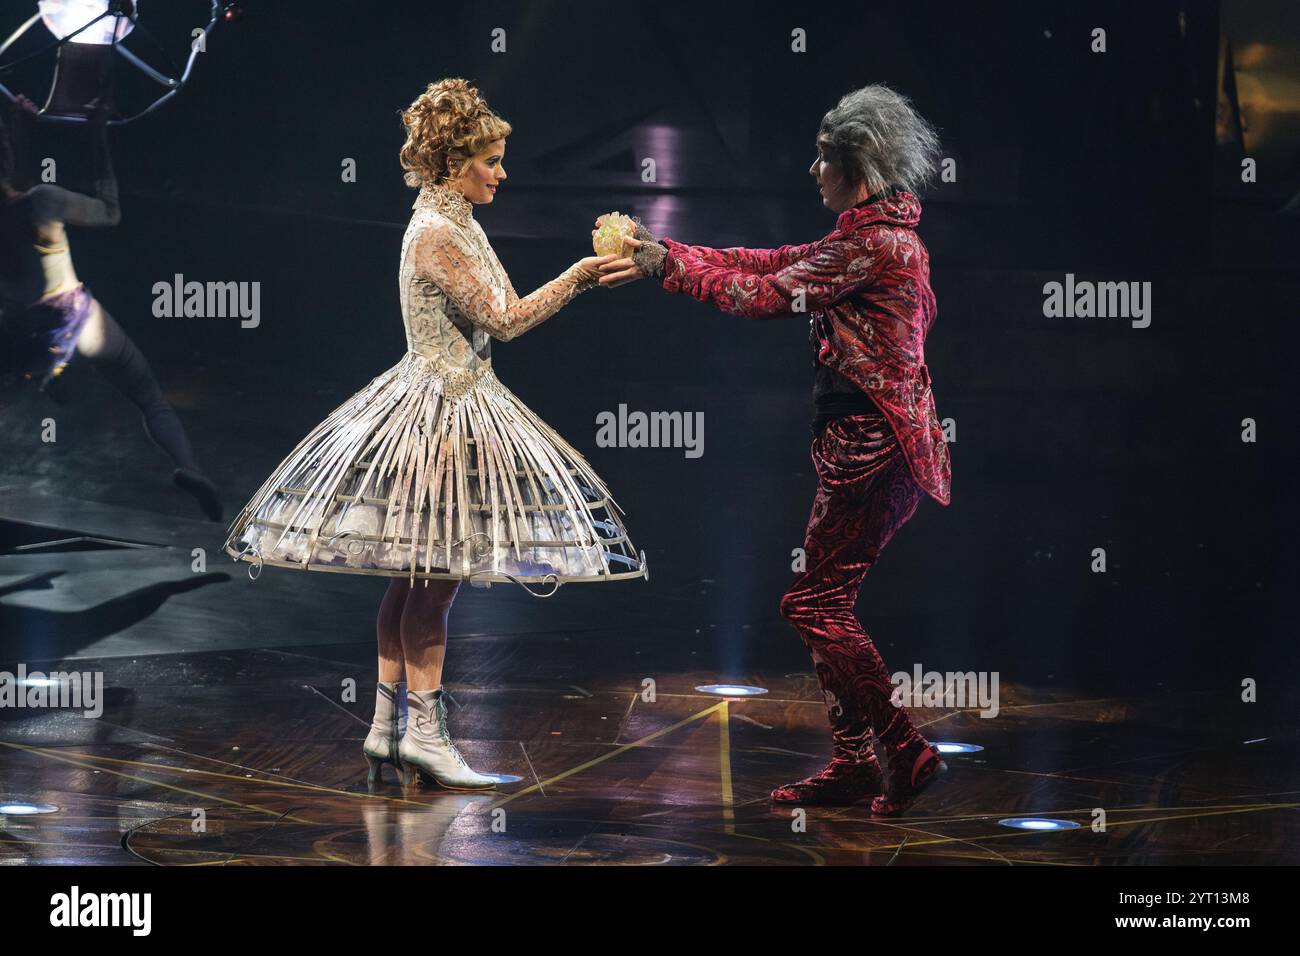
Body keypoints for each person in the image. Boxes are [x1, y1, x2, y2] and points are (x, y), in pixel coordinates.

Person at [223, 78, 646, 792]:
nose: (503, 173)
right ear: (454, 164)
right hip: (442, 416)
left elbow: (499, 310)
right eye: (491, 161)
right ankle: (423, 733)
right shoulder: (437, 234)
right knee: (434, 580)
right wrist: (580, 275)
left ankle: (387, 728)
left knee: (414, 578)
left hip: (456, 401)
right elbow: (507, 322)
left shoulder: (455, 223)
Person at [597, 84, 952, 816]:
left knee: (814, 602)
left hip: (874, 451)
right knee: (827, 602)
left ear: (859, 165)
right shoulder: (871, 238)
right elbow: (769, 259)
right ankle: (856, 763)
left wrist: (669, 270)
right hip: (871, 448)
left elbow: (764, 294)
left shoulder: (876, 246)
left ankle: (901, 744)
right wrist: (664, 252)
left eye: (823, 158)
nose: (812, 169)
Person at [0, 96, 223, 521]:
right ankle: (188, 467)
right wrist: (98, 138)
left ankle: (55, 375)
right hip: (77, 320)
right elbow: (110, 212)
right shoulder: (43, 201)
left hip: (22, 331)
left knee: (37, 361)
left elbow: (13, 200)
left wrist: (21, 129)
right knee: (148, 396)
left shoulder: (29, 199)